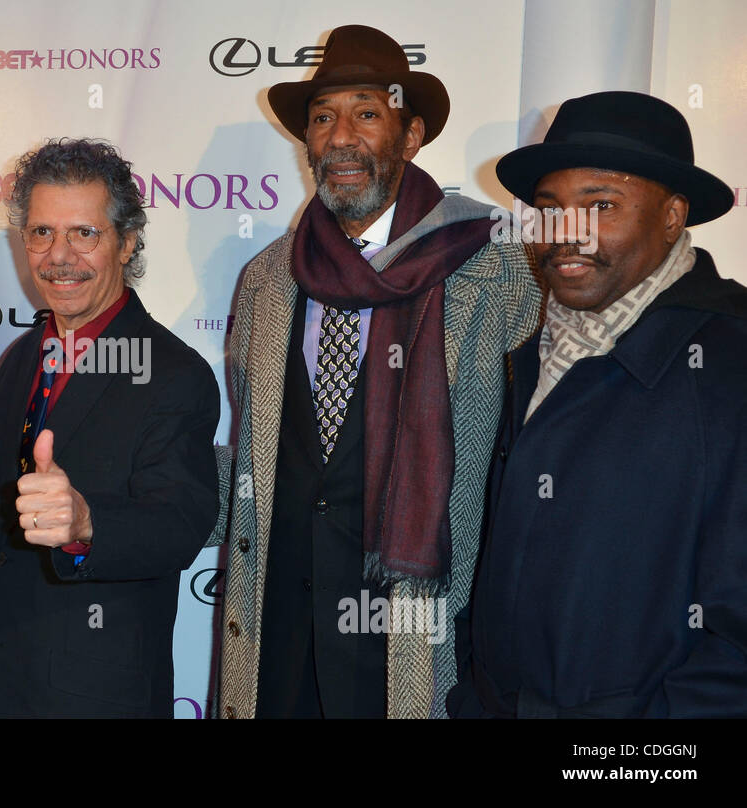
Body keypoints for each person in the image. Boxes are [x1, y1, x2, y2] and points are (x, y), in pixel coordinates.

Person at [212, 25, 542, 719]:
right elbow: (254, 455)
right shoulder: (269, 278)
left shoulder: (492, 262)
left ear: (411, 134)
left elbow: (531, 449)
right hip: (280, 637)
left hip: (411, 633)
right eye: (323, 118)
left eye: (367, 114)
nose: (340, 138)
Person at [449, 91, 747, 718]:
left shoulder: (730, 360)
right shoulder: (537, 349)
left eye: (600, 205)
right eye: (550, 209)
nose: (567, 235)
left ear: (672, 216)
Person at [0, 138, 219, 718]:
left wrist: (86, 523)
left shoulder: (173, 371)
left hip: (93, 697)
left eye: (84, 234)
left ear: (126, 242)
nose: (58, 256)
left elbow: (180, 525)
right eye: (41, 233)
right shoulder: (20, 357)